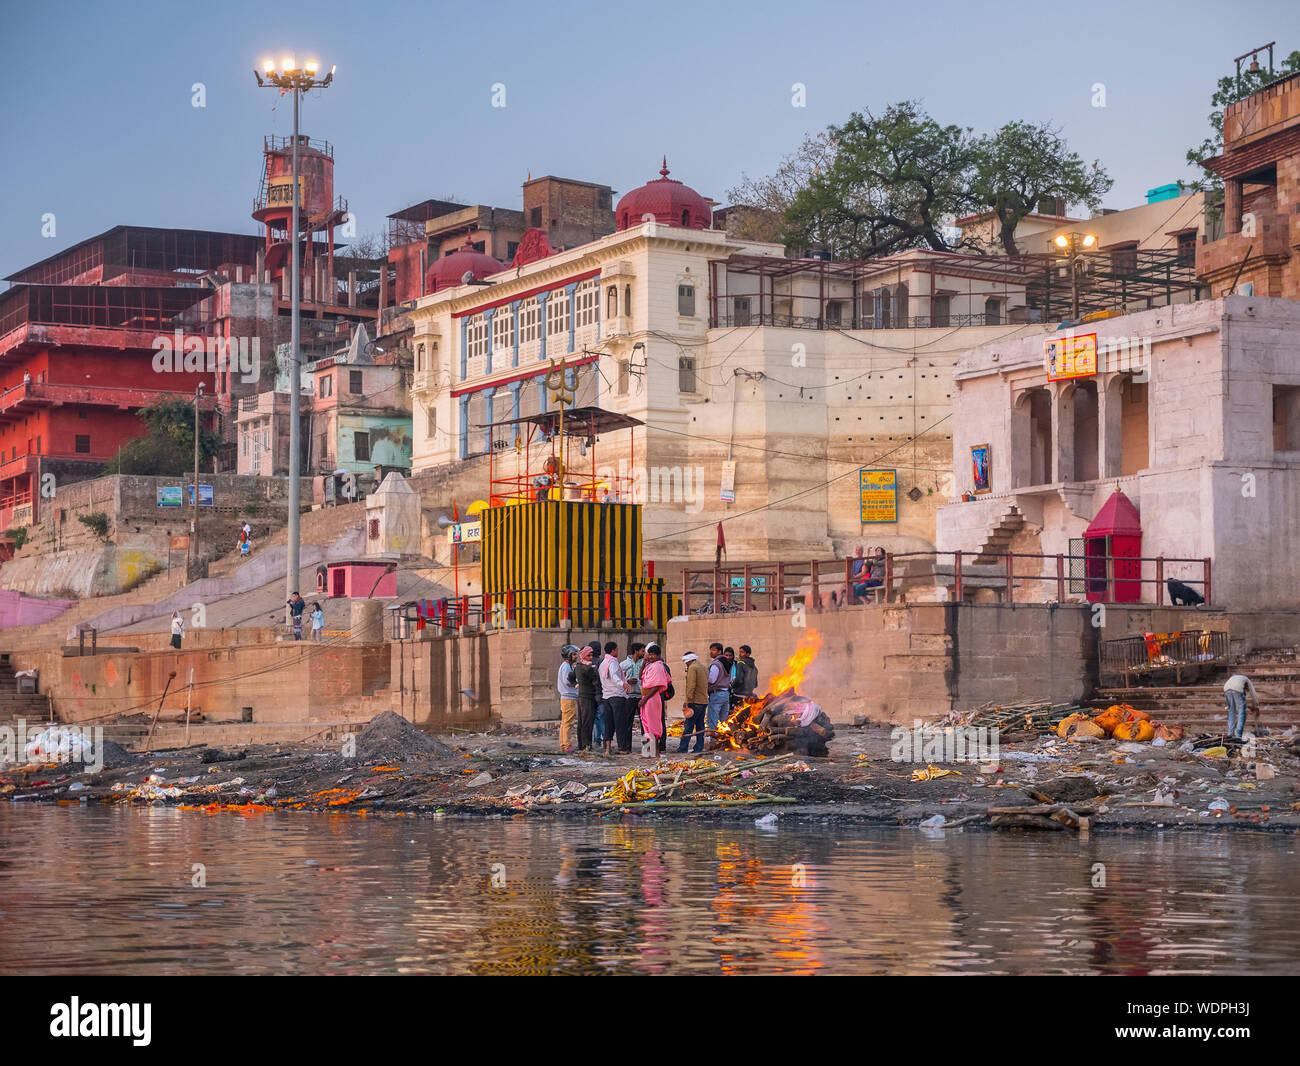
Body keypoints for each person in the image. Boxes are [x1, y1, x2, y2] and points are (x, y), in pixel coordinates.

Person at [638, 643, 671, 756]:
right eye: (649, 654)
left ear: (658, 655)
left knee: (653, 725)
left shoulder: (658, 666)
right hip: (646, 697)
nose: (650, 657)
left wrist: (645, 699)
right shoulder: (649, 665)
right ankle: (648, 752)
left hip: (651, 698)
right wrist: (644, 662)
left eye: (653, 655)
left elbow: (656, 686)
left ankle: (655, 751)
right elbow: (640, 676)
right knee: (646, 724)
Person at [598, 640, 627, 756]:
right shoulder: (613, 663)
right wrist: (623, 684)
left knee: (608, 723)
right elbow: (615, 676)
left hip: (606, 696)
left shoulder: (602, 663)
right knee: (620, 724)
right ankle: (622, 748)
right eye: (617, 649)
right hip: (616, 696)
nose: (618, 651)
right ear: (613, 650)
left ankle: (607, 748)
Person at [617, 643, 645, 753]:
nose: (644, 653)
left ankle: (646, 748)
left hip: (641, 697)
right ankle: (627, 747)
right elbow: (618, 679)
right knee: (627, 723)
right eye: (642, 651)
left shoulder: (644, 664)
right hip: (628, 697)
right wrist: (627, 682)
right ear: (636, 651)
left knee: (645, 724)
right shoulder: (623, 664)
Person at [679, 651, 708, 754]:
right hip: (703, 700)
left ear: (688, 660)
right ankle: (699, 747)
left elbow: (691, 686)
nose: (685, 664)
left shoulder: (692, 668)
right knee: (700, 726)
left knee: (689, 725)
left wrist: (687, 701)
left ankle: (683, 748)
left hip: (694, 701)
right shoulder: (703, 667)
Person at [574, 645, 600, 751]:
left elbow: (570, 677)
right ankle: (586, 745)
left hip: (581, 696)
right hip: (588, 697)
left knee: (582, 722)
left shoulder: (578, 666)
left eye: (591, 655)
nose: (590, 657)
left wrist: (577, 684)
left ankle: (581, 744)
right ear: (584, 655)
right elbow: (596, 681)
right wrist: (595, 673)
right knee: (587, 722)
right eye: (588, 655)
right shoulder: (587, 668)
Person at [556, 645, 579, 752]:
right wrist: (577, 683)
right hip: (568, 697)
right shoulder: (566, 667)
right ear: (568, 655)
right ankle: (566, 745)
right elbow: (567, 681)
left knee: (565, 722)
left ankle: (563, 744)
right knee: (568, 722)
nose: (576, 656)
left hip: (567, 697)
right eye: (574, 654)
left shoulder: (566, 666)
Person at [1224, 673, 1260, 739]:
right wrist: (1256, 705)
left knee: (1231, 711)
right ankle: (1238, 735)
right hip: (1237, 688)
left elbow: (1229, 704)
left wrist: (1228, 706)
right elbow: (1253, 694)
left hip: (1226, 688)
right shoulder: (1247, 681)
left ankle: (1230, 733)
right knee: (1242, 712)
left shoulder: (1235, 678)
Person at [706, 642, 731, 736]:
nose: (711, 652)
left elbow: (712, 680)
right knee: (723, 721)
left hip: (716, 694)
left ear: (719, 651)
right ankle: (723, 740)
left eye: (713, 650)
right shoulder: (727, 663)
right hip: (725, 694)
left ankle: (714, 741)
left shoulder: (716, 664)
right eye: (710, 650)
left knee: (713, 720)